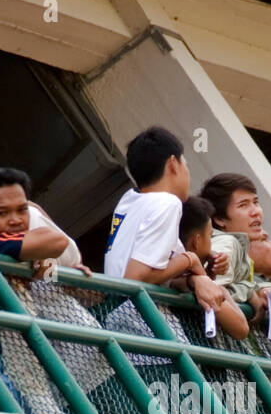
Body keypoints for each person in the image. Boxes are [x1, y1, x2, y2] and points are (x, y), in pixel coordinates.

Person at [103, 128, 243, 338]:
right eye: (185, 163)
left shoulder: (129, 199)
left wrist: (200, 269)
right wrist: (189, 259)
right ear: (173, 164)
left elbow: (149, 269)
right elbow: (134, 277)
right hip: (144, 321)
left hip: (120, 316)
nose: (187, 171)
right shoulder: (168, 203)